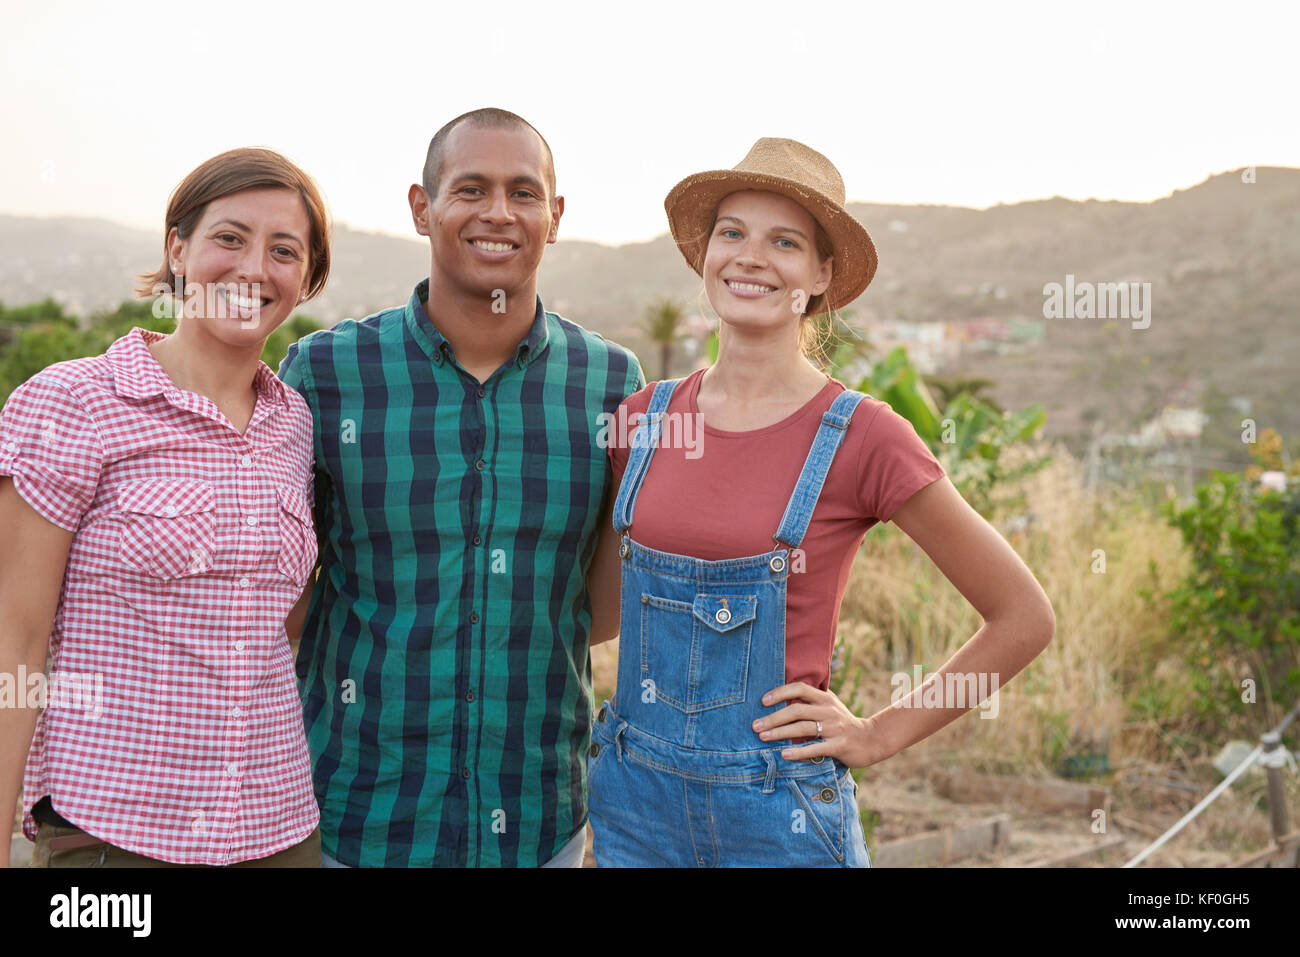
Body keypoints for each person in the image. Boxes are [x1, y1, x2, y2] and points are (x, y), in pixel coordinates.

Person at [586, 138, 1056, 867]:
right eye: (732, 233)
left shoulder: (864, 435)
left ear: (820, 273)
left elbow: (1023, 616)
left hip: (780, 820)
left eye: (785, 242)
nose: (750, 257)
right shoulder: (644, 419)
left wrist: (878, 734)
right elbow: (599, 616)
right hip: (634, 810)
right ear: (705, 254)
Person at [277, 107, 643, 867]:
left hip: (540, 822)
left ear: (556, 215)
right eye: (470, 188)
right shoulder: (327, 374)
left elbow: (599, 610)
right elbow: (281, 592)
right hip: (356, 816)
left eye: (524, 192)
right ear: (423, 207)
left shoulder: (612, 384)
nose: (499, 213)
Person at [0, 147, 331, 867]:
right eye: (230, 237)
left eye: (283, 250)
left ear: (305, 279)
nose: (252, 268)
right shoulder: (73, 401)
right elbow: (13, 643)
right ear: (178, 248)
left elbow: (275, 614)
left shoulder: (296, 426)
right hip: (114, 832)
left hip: (279, 828)